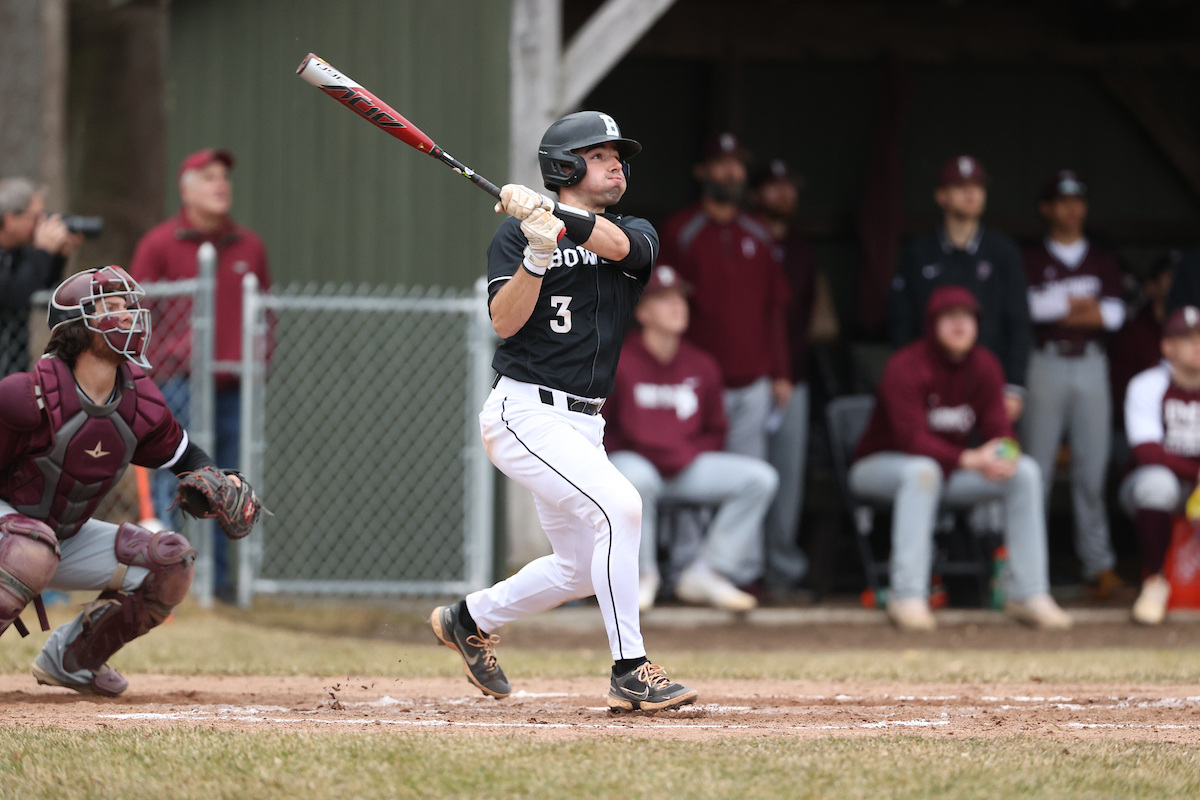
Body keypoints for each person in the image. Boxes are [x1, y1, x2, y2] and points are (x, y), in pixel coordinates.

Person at [429, 111, 697, 714]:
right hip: (525, 412)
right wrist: (536, 254)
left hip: (584, 422)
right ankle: (630, 670)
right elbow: (503, 323)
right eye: (600, 157)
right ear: (565, 166)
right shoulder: (516, 236)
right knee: (621, 508)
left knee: (579, 569)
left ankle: (468, 618)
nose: (616, 166)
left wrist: (553, 215)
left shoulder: (636, 231)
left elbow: (621, 249)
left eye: (618, 158)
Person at [0, 266, 256, 696]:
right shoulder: (26, 397)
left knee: (171, 562)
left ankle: (73, 660)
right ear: (78, 327)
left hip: (56, 538)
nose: (128, 317)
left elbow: (184, 457)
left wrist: (218, 481)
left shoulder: (139, 402)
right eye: (112, 308)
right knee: (31, 548)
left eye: (128, 307)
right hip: (15, 535)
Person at [851, 286, 1072, 631]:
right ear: (932, 323)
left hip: (947, 471)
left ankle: (1027, 593)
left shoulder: (984, 364)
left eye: (967, 317)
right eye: (950, 317)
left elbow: (1001, 429)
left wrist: (1005, 455)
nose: (960, 325)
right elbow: (912, 440)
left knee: (1025, 472)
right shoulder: (905, 365)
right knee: (922, 471)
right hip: (881, 466)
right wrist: (971, 458)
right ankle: (907, 595)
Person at [128, 148, 271, 602]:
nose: (221, 184)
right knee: (175, 478)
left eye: (224, 176)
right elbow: (136, 314)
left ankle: (221, 583)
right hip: (176, 385)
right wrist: (161, 362)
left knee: (227, 483)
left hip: (232, 387)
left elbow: (266, 315)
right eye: (209, 177)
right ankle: (165, 576)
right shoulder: (159, 243)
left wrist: (258, 357)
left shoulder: (248, 245)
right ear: (186, 189)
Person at [603, 265, 778, 613]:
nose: (677, 306)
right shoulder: (618, 360)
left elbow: (716, 429)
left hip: (683, 467)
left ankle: (708, 572)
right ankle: (640, 577)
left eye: (680, 299)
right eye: (664, 299)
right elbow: (601, 427)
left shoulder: (701, 363)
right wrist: (649, 453)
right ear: (643, 312)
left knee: (760, 478)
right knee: (637, 477)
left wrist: (687, 454)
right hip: (633, 467)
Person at [1020, 170, 1125, 598]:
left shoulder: (1102, 257)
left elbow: (1114, 316)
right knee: (1036, 470)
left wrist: (1058, 307)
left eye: (1077, 200)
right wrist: (1082, 305)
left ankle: (1097, 564)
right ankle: (1030, 566)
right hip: (1045, 362)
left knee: (1091, 470)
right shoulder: (1030, 256)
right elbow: (1030, 309)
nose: (1071, 208)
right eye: (1062, 201)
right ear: (1046, 208)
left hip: (1091, 363)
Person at [660, 133, 792, 461]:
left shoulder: (759, 232)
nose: (732, 173)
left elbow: (774, 307)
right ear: (701, 172)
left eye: (737, 165)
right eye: (722, 165)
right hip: (695, 381)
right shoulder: (680, 230)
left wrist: (781, 373)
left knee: (748, 474)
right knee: (695, 471)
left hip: (753, 381)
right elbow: (660, 304)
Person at [889, 156, 1033, 420]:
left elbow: (1019, 322)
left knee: (998, 445)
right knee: (926, 448)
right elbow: (902, 323)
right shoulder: (917, 252)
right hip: (929, 385)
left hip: (989, 386)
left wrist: (1014, 386)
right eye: (960, 186)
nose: (971, 193)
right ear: (941, 196)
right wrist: (909, 379)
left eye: (978, 186)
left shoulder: (1004, 251)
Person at [748, 158, 817, 593]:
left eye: (789, 187)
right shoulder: (743, 236)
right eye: (775, 187)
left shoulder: (801, 247)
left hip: (793, 375)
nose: (784, 195)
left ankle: (781, 572)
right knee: (748, 476)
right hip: (746, 377)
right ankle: (744, 570)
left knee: (786, 480)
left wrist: (786, 372)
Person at [1120, 306, 1200, 625]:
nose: (1197, 346)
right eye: (1188, 339)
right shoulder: (1147, 384)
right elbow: (1147, 452)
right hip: (1155, 488)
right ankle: (1154, 582)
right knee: (1157, 481)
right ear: (1167, 347)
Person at [0, 177, 83, 375]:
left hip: (12, 366)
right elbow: (14, 295)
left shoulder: (19, 253)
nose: (41, 224)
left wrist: (58, 257)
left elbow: (43, 290)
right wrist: (44, 251)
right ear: (9, 219)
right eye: (35, 217)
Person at [1112, 252, 1178, 419]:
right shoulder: (1133, 331)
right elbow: (1121, 389)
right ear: (1151, 286)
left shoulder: (1192, 332)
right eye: (1170, 277)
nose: (1178, 284)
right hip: (1141, 416)